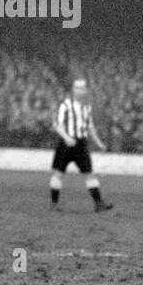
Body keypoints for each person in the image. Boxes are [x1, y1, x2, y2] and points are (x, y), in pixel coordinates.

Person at [49, 78, 113, 213]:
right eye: (78, 88)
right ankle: (54, 204)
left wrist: (99, 144)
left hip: (81, 144)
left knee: (90, 174)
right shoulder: (65, 105)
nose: (80, 91)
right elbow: (57, 125)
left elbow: (90, 128)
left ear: (86, 90)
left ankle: (98, 204)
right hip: (66, 145)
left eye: (83, 88)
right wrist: (66, 137)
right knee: (58, 174)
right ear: (73, 89)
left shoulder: (87, 107)